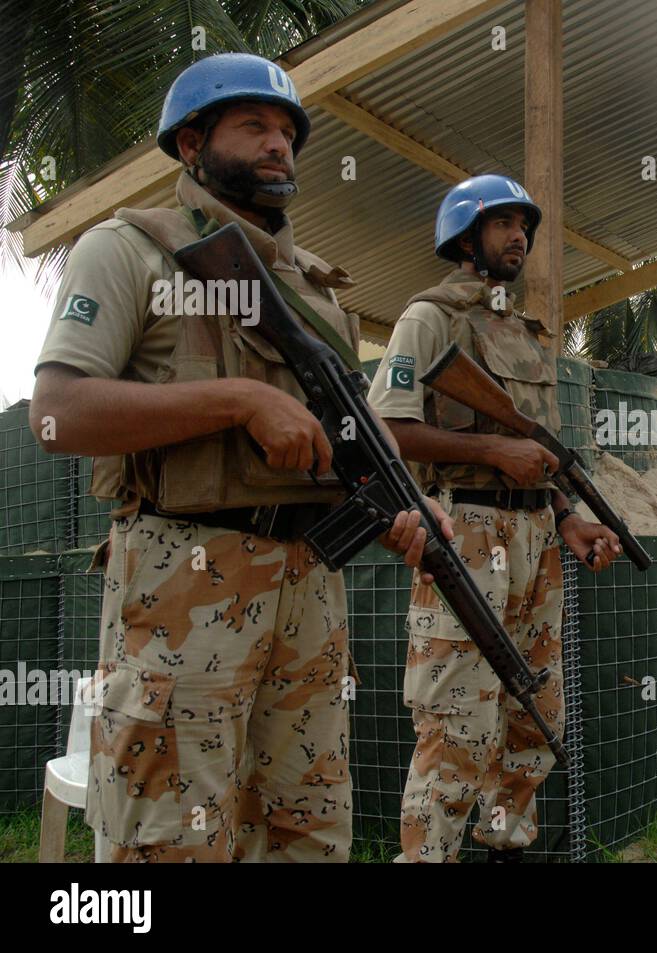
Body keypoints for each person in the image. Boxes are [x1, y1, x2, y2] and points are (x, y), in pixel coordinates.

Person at [28, 52, 451, 862]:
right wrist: (239, 400)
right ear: (191, 144)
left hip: (310, 590)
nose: (278, 146)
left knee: (308, 829)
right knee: (169, 839)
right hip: (183, 582)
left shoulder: (318, 291)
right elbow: (58, 414)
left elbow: (367, 424)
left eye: (288, 132)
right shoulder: (129, 251)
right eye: (254, 125)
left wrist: (410, 496)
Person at [367, 174, 622, 863]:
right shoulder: (430, 317)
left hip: (536, 538)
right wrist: (490, 449)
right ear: (465, 235)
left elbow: (537, 454)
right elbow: (386, 430)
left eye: (524, 225)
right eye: (503, 222)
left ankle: (505, 846)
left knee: (533, 718)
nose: (519, 236)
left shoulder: (531, 333)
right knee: (457, 725)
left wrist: (569, 516)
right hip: (466, 530)